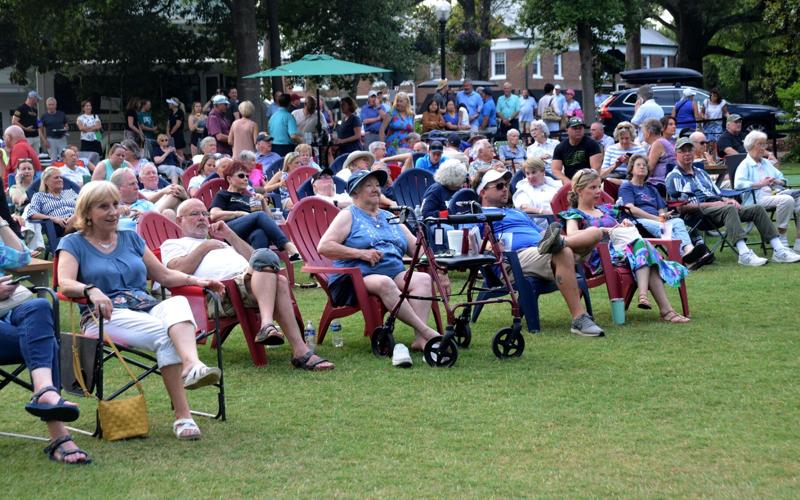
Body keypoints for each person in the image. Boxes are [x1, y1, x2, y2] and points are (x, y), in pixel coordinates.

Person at [57, 181, 224, 440]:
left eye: (115, 204)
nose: (113, 212)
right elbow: (64, 283)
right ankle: (183, 416)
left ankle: (191, 365)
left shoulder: (131, 237)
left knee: (177, 304)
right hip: (104, 316)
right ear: (87, 212)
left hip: (145, 306)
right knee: (166, 334)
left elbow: (165, 276)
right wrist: (91, 290)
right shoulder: (73, 243)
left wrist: (198, 282)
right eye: (104, 207)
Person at [163, 199, 334, 370]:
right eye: (194, 214)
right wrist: (206, 246)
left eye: (205, 214)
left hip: (249, 285)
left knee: (267, 262)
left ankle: (281, 336)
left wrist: (230, 235)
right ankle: (294, 347)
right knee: (277, 277)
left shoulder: (222, 243)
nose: (202, 218)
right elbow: (177, 270)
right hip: (220, 294)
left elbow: (254, 258)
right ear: (179, 221)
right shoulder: (173, 244)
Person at [318, 169, 447, 357]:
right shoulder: (348, 215)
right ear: (355, 192)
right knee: (384, 283)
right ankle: (428, 331)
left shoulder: (389, 217)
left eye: (378, 185)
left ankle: (420, 338)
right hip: (355, 277)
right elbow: (324, 247)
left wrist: (440, 271)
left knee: (422, 279)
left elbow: (417, 248)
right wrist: (361, 253)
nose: (376, 189)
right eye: (368, 185)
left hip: (393, 272)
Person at [0, 218, 91, 464]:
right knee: (41, 340)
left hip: (8, 310)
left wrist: (2, 225)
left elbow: (22, 259)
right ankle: (59, 435)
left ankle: (44, 390)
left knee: (39, 306)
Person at [477, 168, 606, 336]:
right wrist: (489, 247)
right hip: (515, 258)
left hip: (541, 251)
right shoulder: (477, 214)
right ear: (483, 192)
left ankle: (559, 242)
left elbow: (541, 234)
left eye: (507, 185)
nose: (505, 189)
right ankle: (579, 318)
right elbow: (472, 242)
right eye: (499, 186)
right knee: (563, 252)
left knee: (596, 232)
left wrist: (553, 239)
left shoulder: (516, 213)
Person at [561, 168, 690, 323]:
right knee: (646, 251)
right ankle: (662, 308)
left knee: (645, 251)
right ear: (579, 191)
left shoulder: (606, 210)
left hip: (624, 252)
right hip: (601, 257)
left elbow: (619, 231)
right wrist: (600, 231)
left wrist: (624, 224)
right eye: (593, 187)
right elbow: (572, 236)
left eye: (599, 187)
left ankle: (659, 306)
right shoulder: (575, 214)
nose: (598, 191)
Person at [665, 137, 798, 265]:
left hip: (718, 210)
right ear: (676, 153)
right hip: (697, 215)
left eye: (690, 150)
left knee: (756, 209)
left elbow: (718, 193)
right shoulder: (674, 176)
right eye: (683, 151)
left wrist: (728, 199)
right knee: (729, 209)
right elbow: (681, 208)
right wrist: (714, 204)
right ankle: (744, 254)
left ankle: (779, 250)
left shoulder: (701, 172)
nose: (687, 154)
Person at [619, 154, 712, 269]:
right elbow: (631, 209)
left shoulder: (651, 188)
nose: (642, 167)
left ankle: (690, 251)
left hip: (657, 221)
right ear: (631, 169)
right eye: (638, 165)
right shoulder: (627, 186)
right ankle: (686, 260)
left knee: (678, 222)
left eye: (644, 165)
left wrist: (663, 216)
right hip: (637, 221)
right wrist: (657, 219)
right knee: (666, 228)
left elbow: (661, 209)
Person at [209, 161, 299, 257]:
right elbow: (214, 215)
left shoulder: (249, 197)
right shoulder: (223, 194)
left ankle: (259, 266)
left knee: (260, 234)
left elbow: (269, 220)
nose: (245, 179)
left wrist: (263, 203)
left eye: (247, 176)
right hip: (229, 230)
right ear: (229, 179)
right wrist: (239, 213)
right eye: (241, 176)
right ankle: (288, 246)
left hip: (247, 233)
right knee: (259, 215)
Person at [734, 130, 800, 252]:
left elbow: (782, 179)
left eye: (765, 144)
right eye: (761, 144)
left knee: (798, 199)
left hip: (775, 193)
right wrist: (760, 184)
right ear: (752, 146)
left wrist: (777, 181)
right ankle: (782, 239)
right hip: (756, 199)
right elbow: (738, 185)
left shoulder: (766, 163)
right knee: (787, 200)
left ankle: (798, 242)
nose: (764, 148)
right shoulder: (744, 165)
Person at [27, 167, 78, 238]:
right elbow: (31, 213)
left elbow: (84, 204)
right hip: (60, 226)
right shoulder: (39, 196)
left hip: (76, 219)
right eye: (56, 178)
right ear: (46, 181)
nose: (60, 180)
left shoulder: (70, 192)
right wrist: (53, 218)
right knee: (81, 217)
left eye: (61, 177)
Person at [551, 118, 602, 184]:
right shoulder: (560, 147)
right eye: (575, 128)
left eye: (580, 128)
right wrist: (566, 181)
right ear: (567, 130)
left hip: (589, 180)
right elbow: (556, 170)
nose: (578, 130)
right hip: (569, 181)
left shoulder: (592, 144)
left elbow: (595, 169)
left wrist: (584, 183)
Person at [640, 118, 674, 195]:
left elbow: (648, 169)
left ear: (648, 133)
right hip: (663, 182)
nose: (643, 135)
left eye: (643, 132)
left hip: (660, 183)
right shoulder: (662, 141)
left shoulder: (658, 143)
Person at [166, 98, 186, 164]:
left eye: (170, 103)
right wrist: (168, 133)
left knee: (179, 151)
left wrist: (171, 133)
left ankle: (182, 165)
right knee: (173, 151)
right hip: (171, 135)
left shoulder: (180, 112)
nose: (169, 104)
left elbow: (178, 124)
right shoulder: (171, 113)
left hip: (178, 135)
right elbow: (168, 124)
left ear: (174, 104)